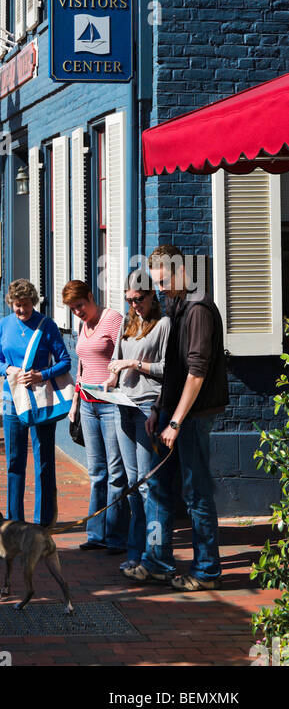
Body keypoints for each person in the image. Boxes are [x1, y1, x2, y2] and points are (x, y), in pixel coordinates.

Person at [130, 244, 228, 591]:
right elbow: (174, 368)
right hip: (171, 410)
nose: (158, 290)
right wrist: (159, 407)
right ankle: (158, 561)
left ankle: (207, 571)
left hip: (194, 415)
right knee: (157, 484)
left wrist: (176, 421)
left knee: (196, 491)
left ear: (181, 270)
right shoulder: (176, 304)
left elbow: (197, 373)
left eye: (162, 281)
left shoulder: (199, 310)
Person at [105, 269, 170, 577]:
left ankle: (152, 555)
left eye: (139, 300)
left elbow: (167, 369)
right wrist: (111, 376)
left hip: (147, 406)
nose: (134, 306)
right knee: (132, 486)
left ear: (151, 295)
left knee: (147, 485)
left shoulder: (163, 325)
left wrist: (133, 364)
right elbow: (115, 361)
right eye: (129, 300)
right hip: (123, 405)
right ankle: (134, 554)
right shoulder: (128, 323)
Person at [0, 279, 71, 527]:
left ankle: (44, 520)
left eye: (25, 305)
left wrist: (41, 374)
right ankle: (14, 520)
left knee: (44, 459)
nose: (21, 310)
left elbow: (65, 361)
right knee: (14, 460)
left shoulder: (47, 326)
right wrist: (9, 369)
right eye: (16, 305)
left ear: (33, 302)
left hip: (40, 399)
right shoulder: (4, 325)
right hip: (12, 399)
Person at [64, 279, 126, 553]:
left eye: (80, 305)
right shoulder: (82, 325)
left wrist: (115, 377)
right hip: (87, 405)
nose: (77, 312)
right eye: (72, 308)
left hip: (111, 404)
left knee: (115, 472)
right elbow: (81, 365)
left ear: (91, 296)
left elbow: (124, 353)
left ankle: (115, 535)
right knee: (96, 472)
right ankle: (95, 533)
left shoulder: (112, 319)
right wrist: (75, 402)